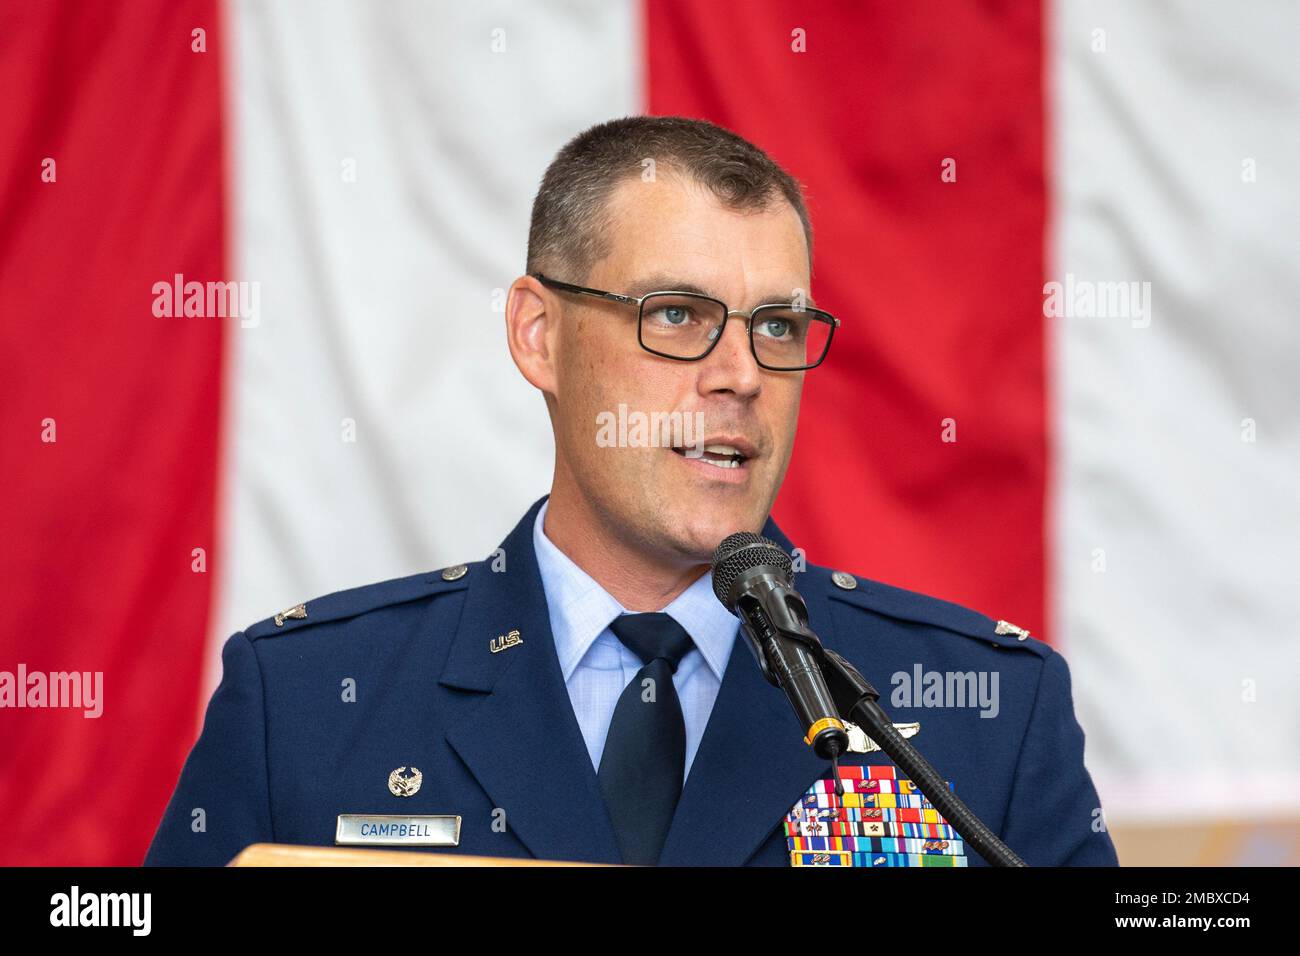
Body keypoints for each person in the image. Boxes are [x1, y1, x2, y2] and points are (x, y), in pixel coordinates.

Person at [144, 115, 1118, 867]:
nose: (739, 372)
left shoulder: (989, 710)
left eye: (775, 327)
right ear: (538, 335)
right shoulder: (306, 703)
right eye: (678, 313)